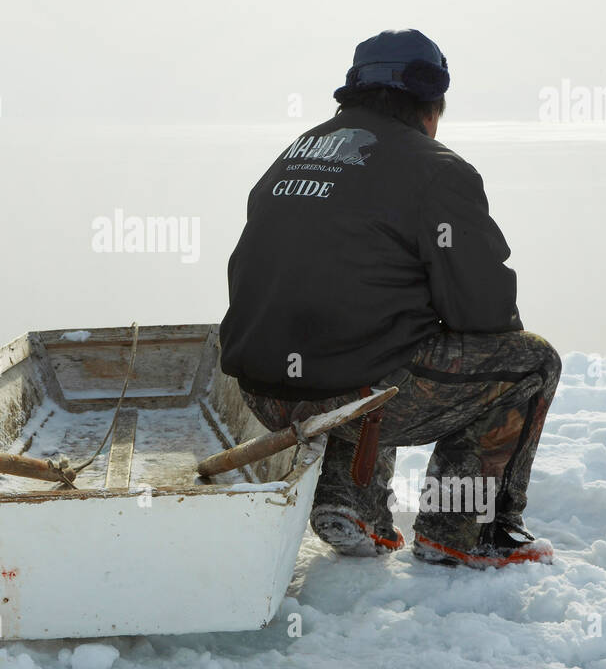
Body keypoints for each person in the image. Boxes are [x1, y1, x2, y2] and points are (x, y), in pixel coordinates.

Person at [219, 29, 560, 568]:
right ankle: (464, 532)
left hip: (263, 391)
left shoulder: (296, 153)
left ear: (352, 93)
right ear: (432, 103)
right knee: (529, 362)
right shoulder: (437, 170)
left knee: (374, 331)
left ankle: (350, 501)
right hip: (351, 392)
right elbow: (485, 315)